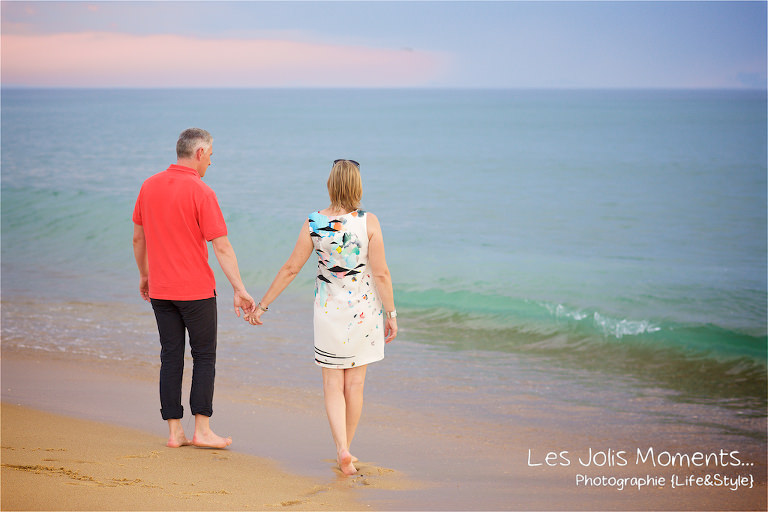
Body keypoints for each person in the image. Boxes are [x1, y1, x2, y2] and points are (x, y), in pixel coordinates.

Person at [246, 159, 397, 475]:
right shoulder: (369, 222)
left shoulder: (314, 222)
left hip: (328, 313)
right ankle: (346, 450)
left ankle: (342, 448)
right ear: (357, 185)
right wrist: (391, 313)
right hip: (364, 313)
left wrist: (262, 306)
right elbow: (381, 273)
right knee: (354, 385)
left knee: (332, 384)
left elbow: (290, 268)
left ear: (330, 184)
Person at [132, 128, 256, 449]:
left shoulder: (149, 186)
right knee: (204, 356)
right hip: (196, 292)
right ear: (199, 153)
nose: (210, 163)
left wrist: (144, 275)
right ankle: (201, 429)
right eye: (211, 156)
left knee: (170, 356)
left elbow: (138, 238)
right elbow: (222, 246)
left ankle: (175, 432)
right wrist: (239, 288)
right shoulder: (202, 192)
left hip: (161, 291)